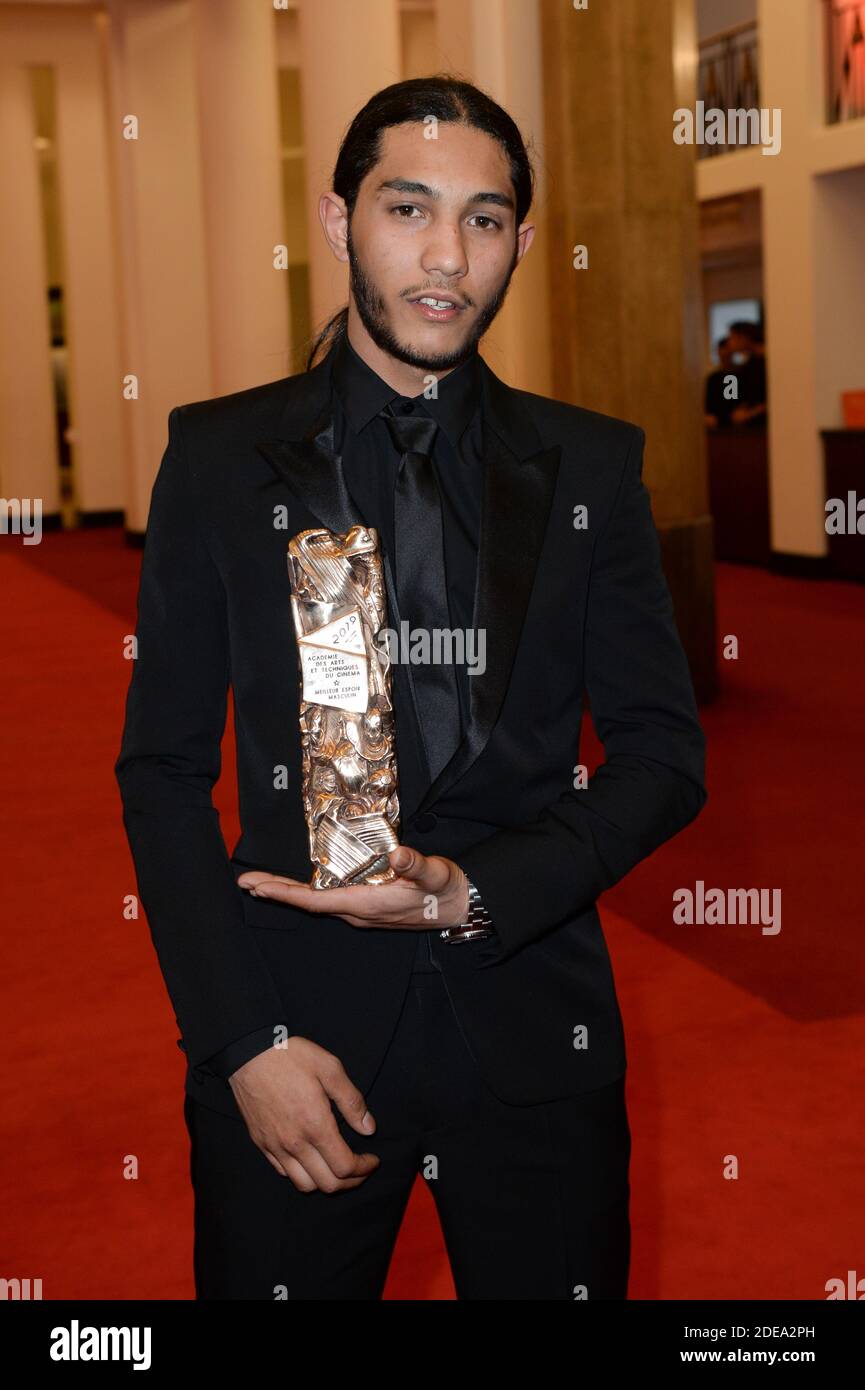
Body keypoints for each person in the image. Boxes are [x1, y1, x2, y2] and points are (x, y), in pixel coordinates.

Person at [115, 74, 707, 1301]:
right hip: (296, 1036)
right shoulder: (220, 457)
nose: (447, 256)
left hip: (536, 1032)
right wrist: (241, 1042)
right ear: (339, 221)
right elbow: (161, 772)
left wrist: (480, 893)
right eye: (407, 208)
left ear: (521, 244)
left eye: (484, 220)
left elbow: (662, 757)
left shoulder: (591, 464)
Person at [726, 320, 767, 428]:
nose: (730, 343)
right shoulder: (747, 365)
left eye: (732, 337)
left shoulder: (768, 362)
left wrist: (750, 413)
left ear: (744, 337)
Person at [704, 335, 739, 428]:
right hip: (716, 424)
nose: (724, 355)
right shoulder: (714, 378)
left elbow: (732, 401)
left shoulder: (738, 375)